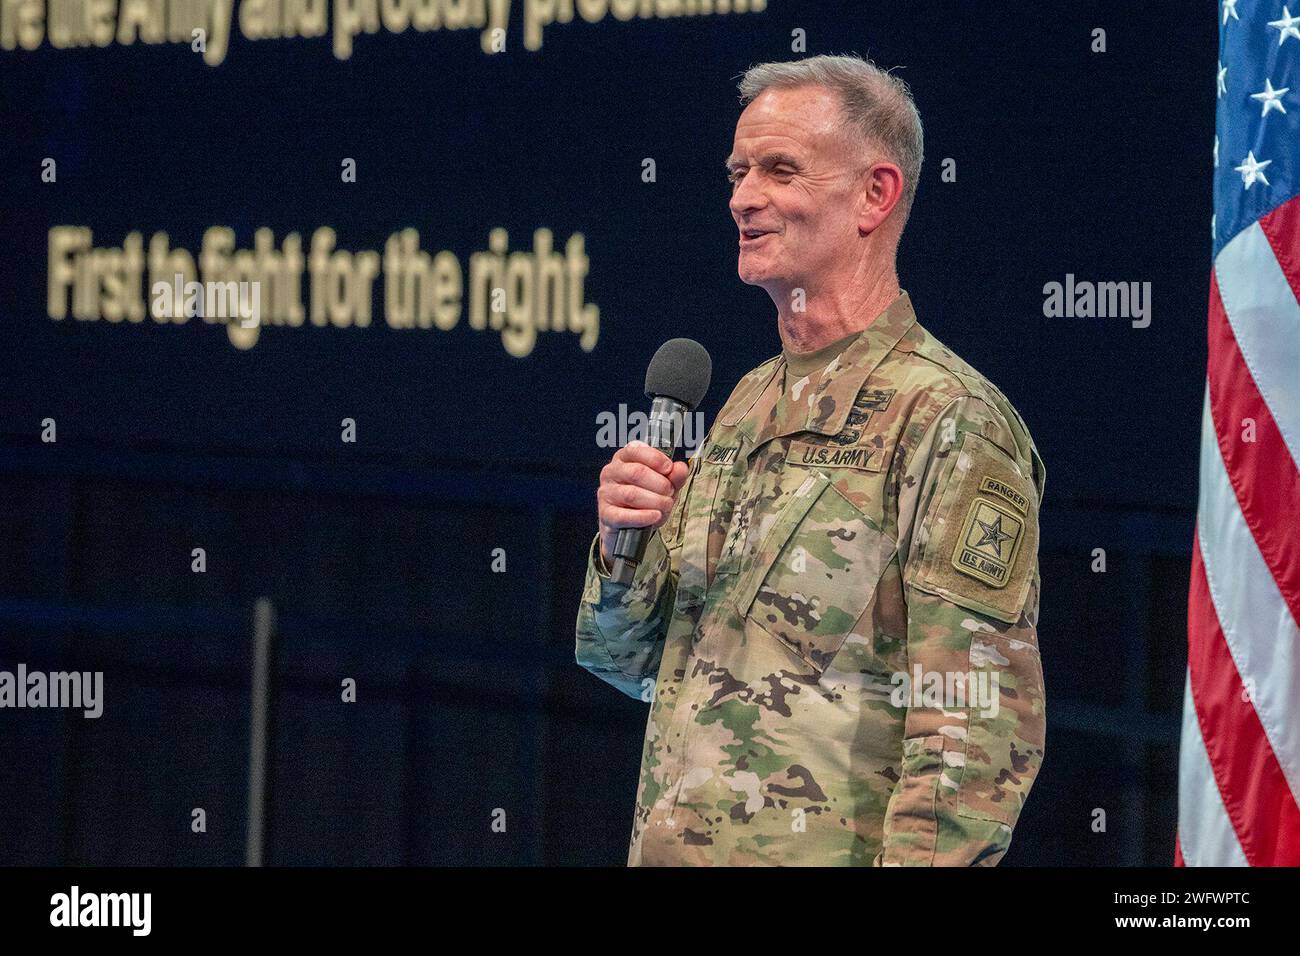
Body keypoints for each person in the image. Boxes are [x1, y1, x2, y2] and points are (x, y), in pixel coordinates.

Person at [576, 54, 1046, 866]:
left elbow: (972, 740)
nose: (743, 197)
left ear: (875, 194)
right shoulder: (747, 400)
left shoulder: (948, 419)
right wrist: (625, 548)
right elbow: (631, 663)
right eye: (737, 170)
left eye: (779, 169)